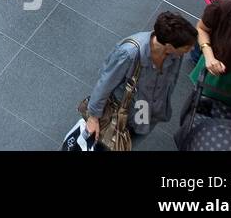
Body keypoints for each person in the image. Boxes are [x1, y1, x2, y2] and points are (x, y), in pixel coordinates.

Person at [84, 12, 198, 146]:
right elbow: (105, 83)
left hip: (150, 110)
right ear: (169, 45)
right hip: (125, 112)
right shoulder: (129, 53)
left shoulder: (176, 54)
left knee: (130, 142)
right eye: (187, 47)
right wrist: (93, 117)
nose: (190, 50)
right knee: (109, 145)